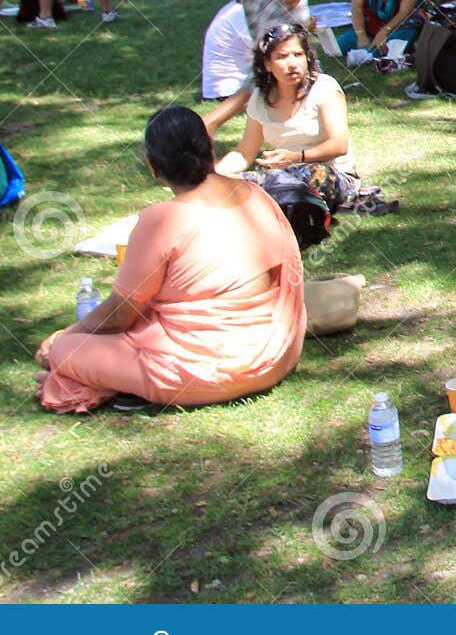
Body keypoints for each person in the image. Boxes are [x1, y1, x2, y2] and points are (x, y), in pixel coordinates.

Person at [34, 106, 305, 414]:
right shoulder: (255, 194)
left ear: (154, 167)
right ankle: (118, 381)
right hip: (279, 353)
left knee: (64, 351)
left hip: (213, 373)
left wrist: (65, 335)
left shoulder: (160, 220)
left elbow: (119, 315)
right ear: (210, 148)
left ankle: (113, 380)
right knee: (134, 324)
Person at [217, 22, 358, 209]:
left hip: (331, 175)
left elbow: (338, 145)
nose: (292, 64)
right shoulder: (260, 98)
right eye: (282, 57)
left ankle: (261, 191)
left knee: (304, 176)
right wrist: (215, 175)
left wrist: (296, 157)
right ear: (267, 64)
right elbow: (244, 152)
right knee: (231, 184)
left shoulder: (325, 88)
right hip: (281, 177)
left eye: (298, 55)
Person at [200, 0, 255, 114]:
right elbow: (270, 49)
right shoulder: (242, 11)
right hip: (229, 91)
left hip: (230, 88)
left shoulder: (236, 7)